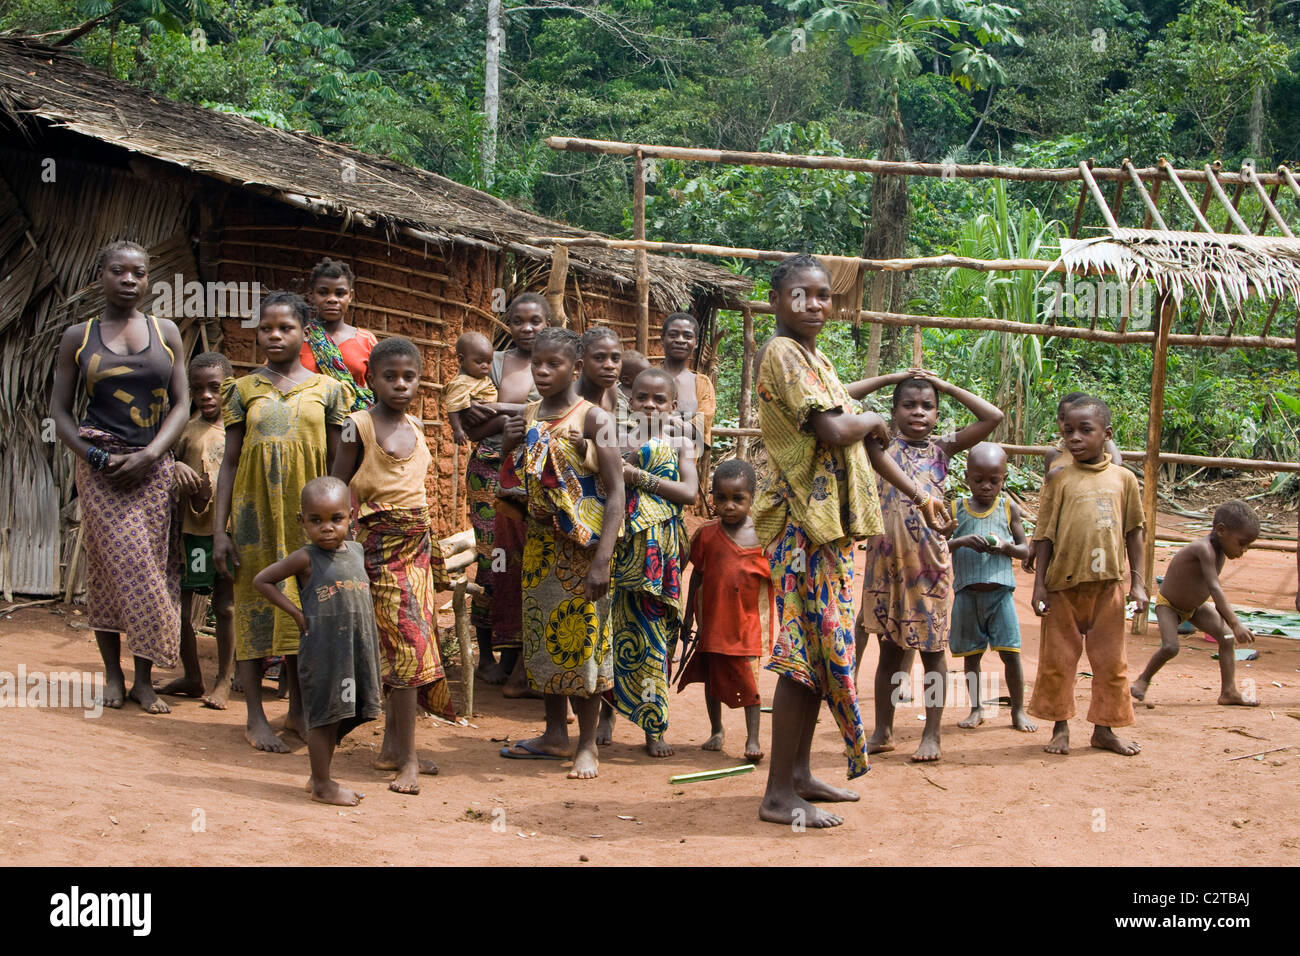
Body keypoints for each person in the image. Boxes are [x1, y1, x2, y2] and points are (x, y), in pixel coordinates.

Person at [753, 254, 951, 828]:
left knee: (824, 653)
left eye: (823, 295)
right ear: (777, 301)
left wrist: (920, 494)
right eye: (802, 295)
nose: (815, 304)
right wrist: (867, 418)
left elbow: (866, 444)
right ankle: (775, 794)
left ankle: (799, 775)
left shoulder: (817, 358)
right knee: (802, 658)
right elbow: (838, 430)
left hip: (832, 533)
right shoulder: (782, 353)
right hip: (802, 529)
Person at [50, 240, 194, 714]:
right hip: (101, 467)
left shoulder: (166, 331)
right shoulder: (78, 335)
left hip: (152, 467)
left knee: (150, 565)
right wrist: (91, 456)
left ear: (148, 279)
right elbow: (59, 411)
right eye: (119, 271)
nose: (129, 280)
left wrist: (154, 454)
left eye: (138, 273)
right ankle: (113, 674)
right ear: (101, 276)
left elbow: (182, 403)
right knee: (110, 566)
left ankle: (145, 678)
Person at [213, 291, 354, 752]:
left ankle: (296, 711)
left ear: (304, 332)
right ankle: (254, 716)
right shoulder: (243, 389)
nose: (274, 335)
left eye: (285, 328)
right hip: (253, 516)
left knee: (301, 611)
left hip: (307, 521)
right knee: (254, 607)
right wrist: (220, 529)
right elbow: (230, 462)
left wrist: (339, 524)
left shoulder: (329, 390)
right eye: (266, 328)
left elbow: (337, 465)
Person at [855, 369, 1001, 763]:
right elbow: (840, 397)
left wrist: (948, 385)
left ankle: (932, 734)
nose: (918, 412)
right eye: (909, 404)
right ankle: (883, 730)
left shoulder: (942, 449)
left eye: (927, 406)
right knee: (887, 651)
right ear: (894, 409)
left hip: (929, 567)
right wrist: (891, 379)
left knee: (933, 652)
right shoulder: (877, 445)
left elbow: (993, 418)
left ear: (938, 413)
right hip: (885, 564)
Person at [497, 328, 624, 780]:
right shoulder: (529, 414)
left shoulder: (593, 419)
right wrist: (510, 445)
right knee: (542, 639)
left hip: (582, 551)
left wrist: (603, 559)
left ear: (575, 367)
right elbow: (510, 483)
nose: (544, 371)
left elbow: (616, 493)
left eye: (554, 364)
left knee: (585, 644)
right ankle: (554, 734)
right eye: (537, 364)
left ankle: (587, 744)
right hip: (540, 549)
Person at [333, 336, 453, 794]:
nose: (400, 385)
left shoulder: (419, 427)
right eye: (390, 376)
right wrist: (340, 547)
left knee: (416, 647)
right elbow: (335, 485)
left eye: (409, 377)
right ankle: (408, 759)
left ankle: (391, 750)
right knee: (407, 650)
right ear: (371, 378)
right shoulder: (357, 427)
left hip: (417, 553)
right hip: (376, 553)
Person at [253, 477, 382, 806]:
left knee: (342, 713)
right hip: (324, 651)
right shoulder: (305, 558)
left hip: (355, 649)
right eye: (316, 520)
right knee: (324, 715)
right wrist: (297, 614)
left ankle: (318, 775)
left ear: (350, 517)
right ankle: (323, 785)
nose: (327, 528)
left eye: (336, 519)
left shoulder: (356, 551)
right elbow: (262, 580)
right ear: (303, 521)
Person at [1030, 394, 1147, 756]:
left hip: (1108, 588)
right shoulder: (1060, 479)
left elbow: (1134, 531)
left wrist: (1138, 583)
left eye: (1085, 430)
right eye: (1069, 431)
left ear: (1106, 434)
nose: (1075, 438)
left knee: (1112, 664)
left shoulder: (1124, 479)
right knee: (1058, 662)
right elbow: (1045, 534)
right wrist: (1039, 585)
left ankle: (1104, 729)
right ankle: (1060, 727)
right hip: (1063, 588)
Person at [599, 367, 697, 757]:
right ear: (630, 399)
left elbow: (688, 492)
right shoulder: (614, 437)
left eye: (660, 399)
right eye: (642, 397)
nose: (650, 405)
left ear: (673, 405)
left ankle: (654, 728)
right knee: (612, 632)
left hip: (663, 556)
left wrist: (638, 476)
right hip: (623, 547)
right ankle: (606, 714)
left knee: (656, 638)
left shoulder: (682, 442)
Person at [459, 293, 546, 690]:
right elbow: (474, 427)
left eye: (536, 321)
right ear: (507, 323)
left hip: (541, 469)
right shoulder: (492, 363)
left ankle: (524, 656)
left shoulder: (557, 364)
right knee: (493, 557)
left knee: (530, 557)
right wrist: (515, 416)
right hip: (490, 469)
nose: (527, 328)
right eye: (518, 320)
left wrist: (502, 410)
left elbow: (552, 418)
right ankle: (487, 654)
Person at [677, 458, 772, 762]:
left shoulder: (764, 538)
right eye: (721, 498)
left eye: (738, 499)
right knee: (712, 676)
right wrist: (689, 615)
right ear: (713, 497)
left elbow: (778, 583)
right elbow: (698, 576)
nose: (729, 506)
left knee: (749, 682)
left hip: (747, 626)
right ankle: (716, 729)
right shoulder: (706, 535)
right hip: (713, 622)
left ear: (751, 500)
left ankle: (753, 737)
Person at [161, 351, 237, 710]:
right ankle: (192, 675)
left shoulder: (240, 430)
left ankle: (225, 678)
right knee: (184, 606)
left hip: (230, 532)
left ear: (230, 388)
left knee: (226, 607)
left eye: (215, 388)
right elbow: (162, 462)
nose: (206, 395)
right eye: (198, 389)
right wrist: (175, 465)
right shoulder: (187, 431)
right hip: (194, 533)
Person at [1131, 500, 1260, 707]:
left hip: (1195, 608)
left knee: (1226, 638)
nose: (1244, 549)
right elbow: (1215, 589)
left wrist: (1230, 626)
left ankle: (1229, 692)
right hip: (1169, 606)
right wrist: (1235, 623)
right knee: (1171, 647)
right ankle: (1143, 679)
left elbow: (1215, 597)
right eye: (1242, 543)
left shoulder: (1221, 552)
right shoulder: (1204, 550)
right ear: (1221, 530)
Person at [946, 442, 1036, 732]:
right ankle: (976, 708)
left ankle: (1018, 711)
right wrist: (960, 541)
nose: (986, 486)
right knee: (971, 657)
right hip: (966, 595)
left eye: (994, 481)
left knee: (1011, 654)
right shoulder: (956, 509)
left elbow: (1025, 550)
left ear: (1004, 479)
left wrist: (1005, 547)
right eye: (979, 480)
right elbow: (939, 547)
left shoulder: (1008, 508)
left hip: (1000, 596)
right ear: (966, 478)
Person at [1025, 391, 1123, 572]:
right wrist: (1034, 542)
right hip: (1061, 535)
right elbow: (1047, 507)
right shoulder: (1054, 457)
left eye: (1084, 427)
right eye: (1064, 420)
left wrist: (1102, 435)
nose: (1069, 429)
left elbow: (1117, 464)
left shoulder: (1103, 459)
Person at [299, 257, 376, 409]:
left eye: (340, 294)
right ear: (311, 295)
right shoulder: (297, 337)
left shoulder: (366, 341)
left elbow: (381, 390)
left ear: (350, 296)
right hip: (305, 426)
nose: (332, 299)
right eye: (323, 293)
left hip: (351, 426)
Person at [445, 331, 496, 445]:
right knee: (505, 421)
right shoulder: (461, 383)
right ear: (461, 360)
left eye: (489, 362)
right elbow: (452, 407)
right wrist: (457, 430)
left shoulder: (480, 378)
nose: (485, 366)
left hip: (488, 418)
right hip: (477, 423)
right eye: (479, 362)